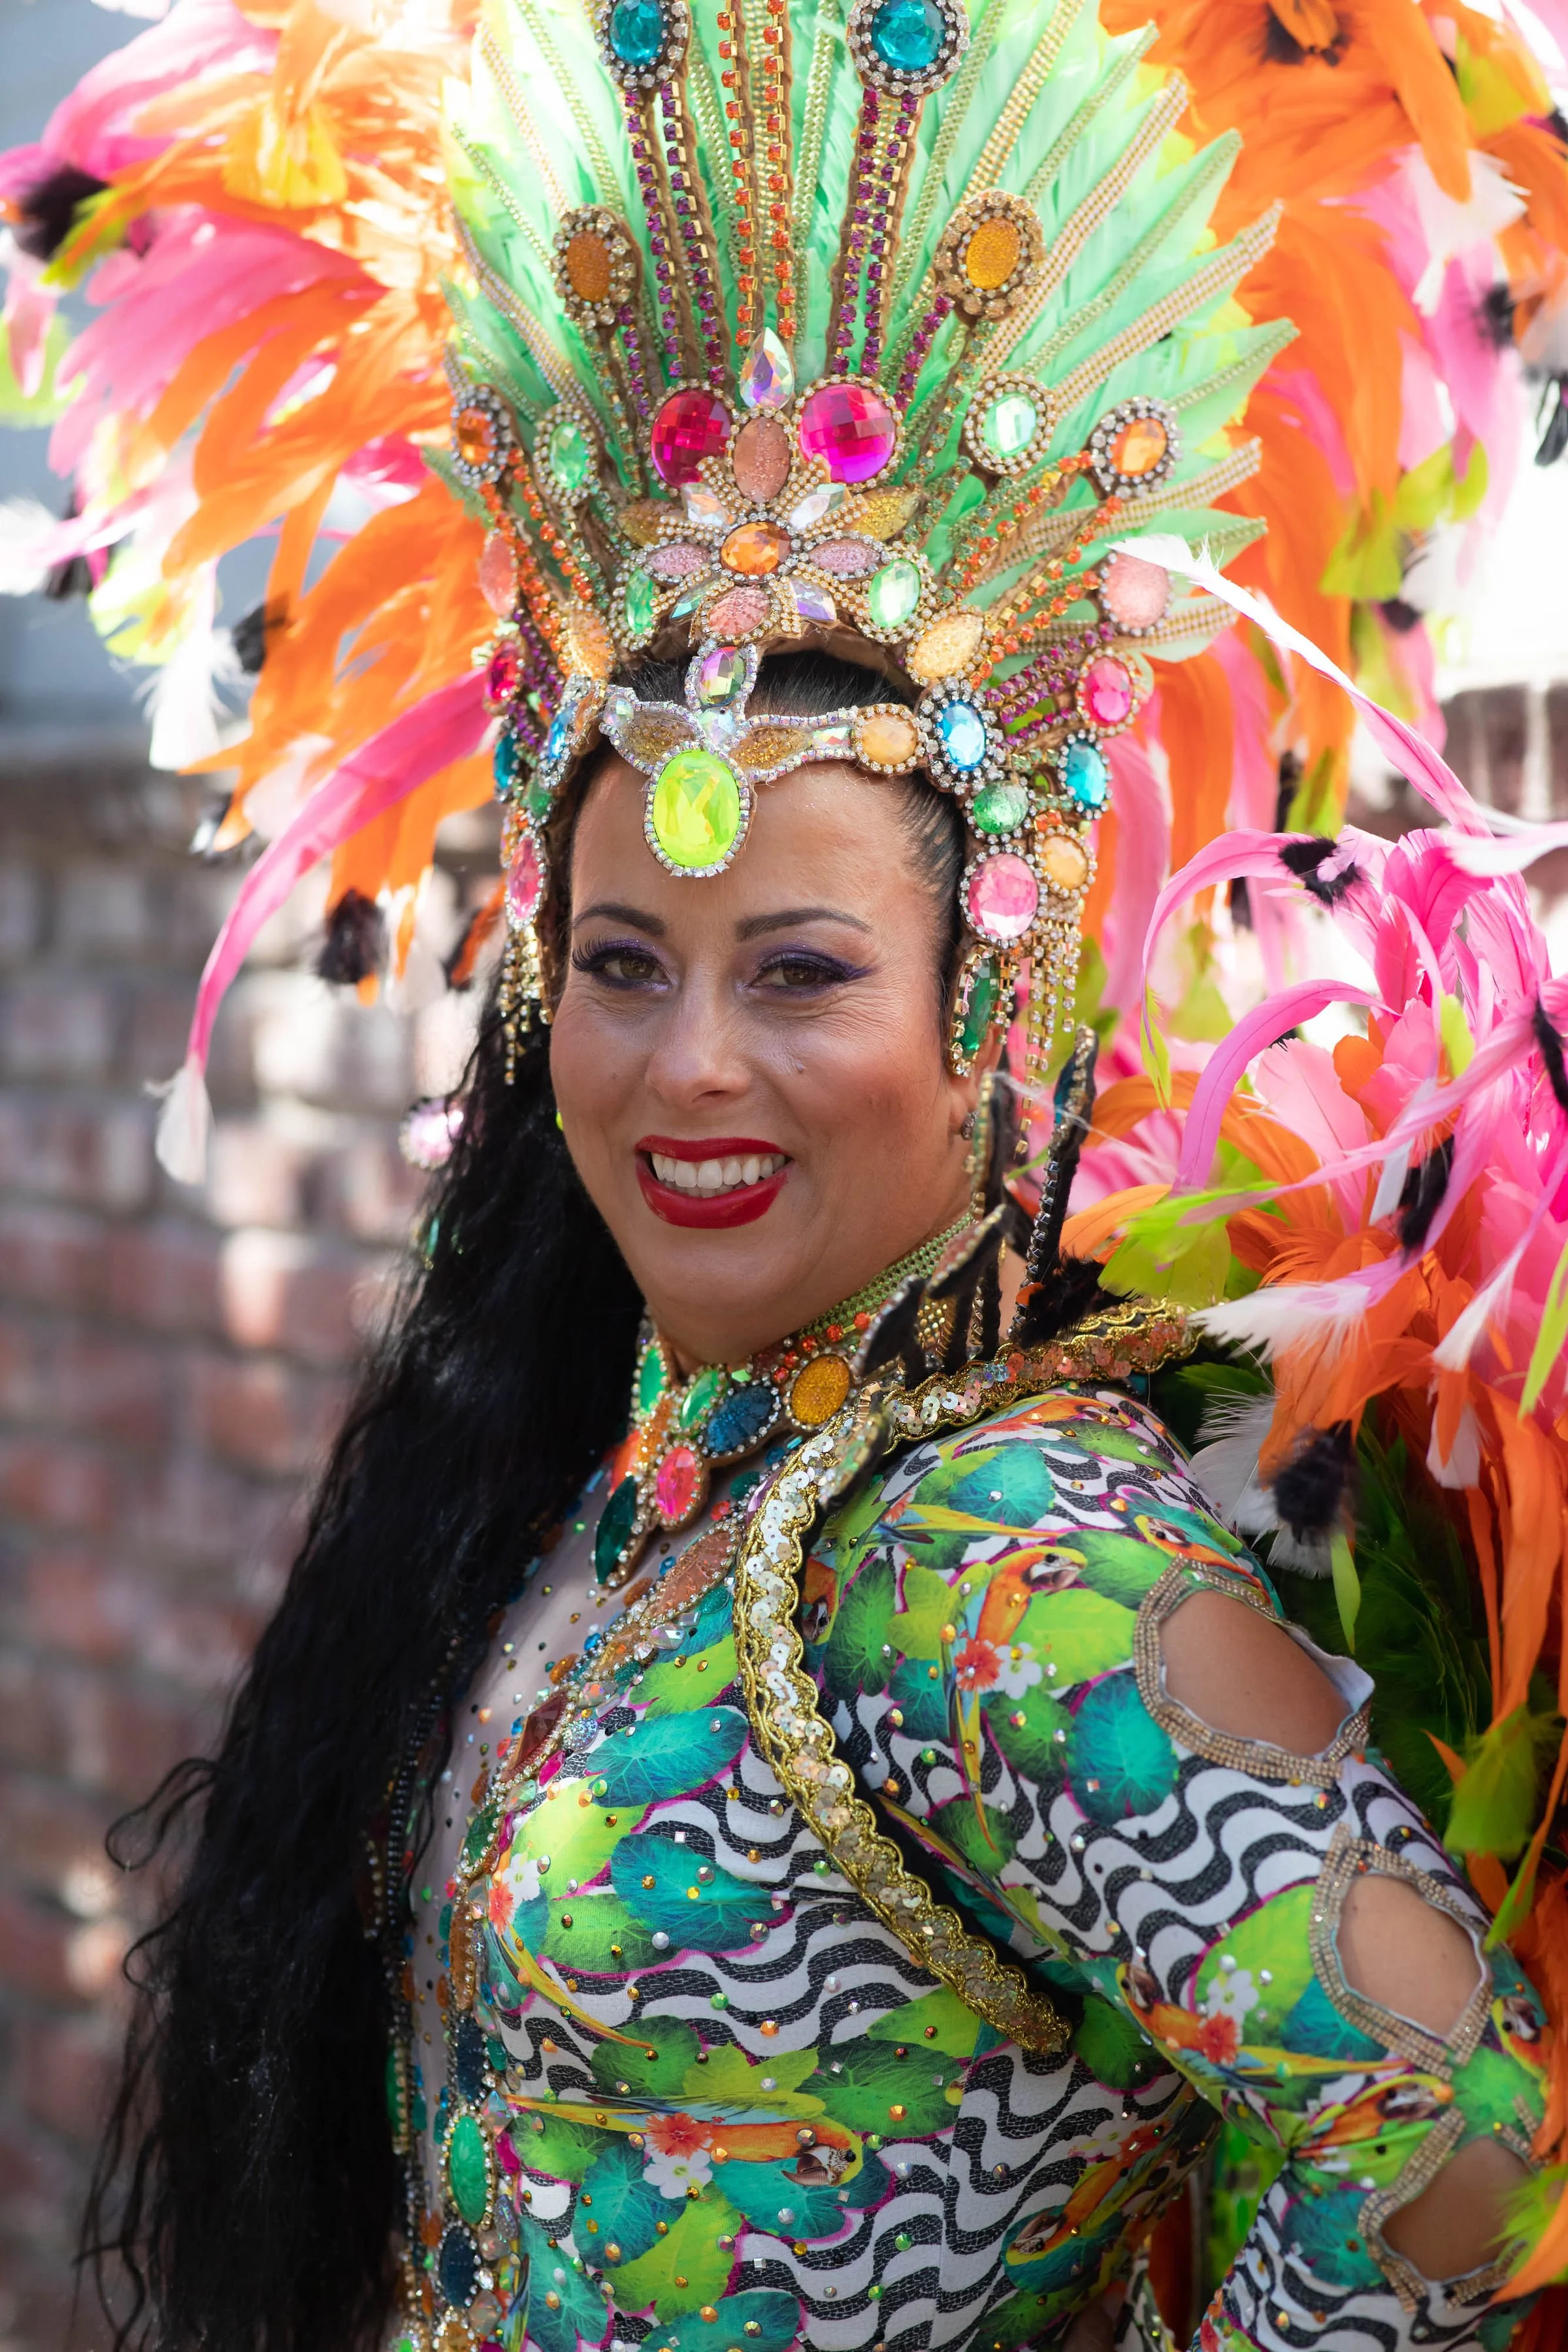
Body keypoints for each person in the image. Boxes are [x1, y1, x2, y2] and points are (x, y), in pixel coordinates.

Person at [3, 0, 1561, 2347]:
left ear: (987, 1004)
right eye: (626, 964)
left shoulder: (993, 1560)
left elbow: (1456, 2129)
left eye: (803, 972)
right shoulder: (629, 1480)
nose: (689, 1067)